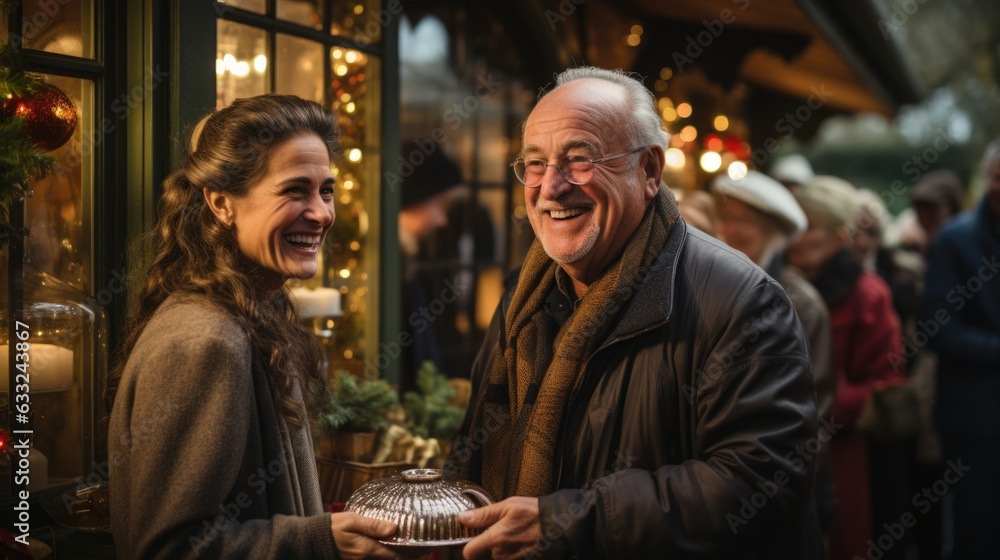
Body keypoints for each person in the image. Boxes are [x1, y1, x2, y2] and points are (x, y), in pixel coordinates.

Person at [447, 67, 821, 559]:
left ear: (649, 171)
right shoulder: (523, 294)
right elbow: (472, 445)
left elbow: (762, 486)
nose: (551, 187)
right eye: (535, 163)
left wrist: (567, 523)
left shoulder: (743, 301)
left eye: (580, 159)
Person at [105, 94, 398, 559]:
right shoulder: (206, 341)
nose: (321, 213)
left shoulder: (256, 310)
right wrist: (321, 541)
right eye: (295, 190)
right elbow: (167, 549)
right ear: (222, 203)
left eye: (326, 191)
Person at [713, 171, 838, 534]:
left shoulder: (803, 304)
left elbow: (817, 410)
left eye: (745, 221)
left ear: (774, 234)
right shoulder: (713, 288)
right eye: (728, 218)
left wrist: (779, 485)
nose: (731, 230)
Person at [786, 176, 904, 560]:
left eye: (809, 226)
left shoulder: (868, 294)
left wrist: (818, 399)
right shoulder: (774, 282)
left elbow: (887, 382)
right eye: (794, 224)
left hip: (839, 451)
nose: (796, 237)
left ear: (839, 236)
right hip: (776, 446)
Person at [919, 138, 1000, 560]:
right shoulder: (955, 239)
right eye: (998, 177)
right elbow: (936, 330)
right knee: (975, 535)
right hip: (974, 424)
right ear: (986, 179)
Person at [397, 141, 465, 390]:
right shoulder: (390, 267)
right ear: (415, 196)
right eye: (440, 204)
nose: (442, 220)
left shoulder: (407, 260)